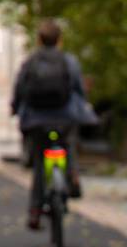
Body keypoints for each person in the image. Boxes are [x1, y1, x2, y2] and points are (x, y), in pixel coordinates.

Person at [10, 18, 93, 230]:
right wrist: (83, 106)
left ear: (39, 40)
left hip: (37, 121)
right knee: (68, 143)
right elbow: (78, 90)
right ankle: (72, 177)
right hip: (63, 118)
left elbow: (19, 89)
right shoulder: (68, 62)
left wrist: (15, 109)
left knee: (40, 162)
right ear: (60, 40)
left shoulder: (31, 62)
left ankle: (35, 210)